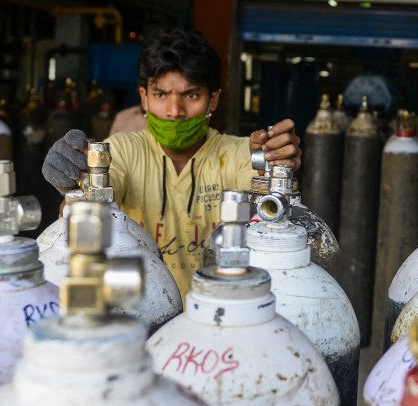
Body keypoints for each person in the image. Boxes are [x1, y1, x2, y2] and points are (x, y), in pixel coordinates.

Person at [42, 28, 302, 301]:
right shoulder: (122, 150)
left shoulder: (239, 153)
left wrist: (277, 160)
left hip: (220, 312)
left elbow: (269, 197)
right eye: (161, 95)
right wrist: (75, 183)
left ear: (213, 99)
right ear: (144, 97)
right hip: (139, 308)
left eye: (190, 95)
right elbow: (93, 197)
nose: (174, 111)